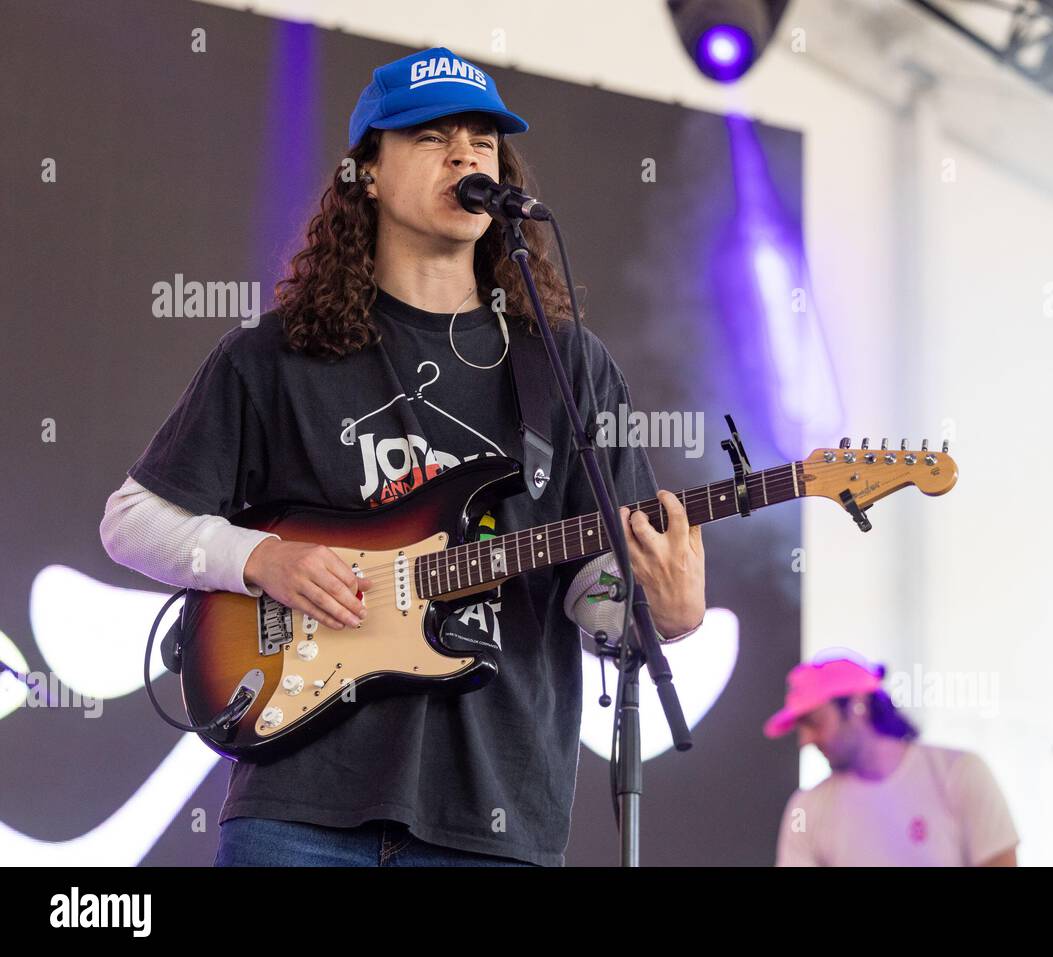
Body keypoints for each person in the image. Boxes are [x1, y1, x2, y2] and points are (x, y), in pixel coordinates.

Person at [100, 46, 705, 867]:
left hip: (495, 813)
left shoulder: (566, 365)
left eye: (483, 140)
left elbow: (587, 588)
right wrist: (262, 558)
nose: (465, 153)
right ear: (368, 176)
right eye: (431, 135)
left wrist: (659, 608)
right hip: (300, 805)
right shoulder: (275, 355)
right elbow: (131, 521)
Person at [765, 657, 1017, 866]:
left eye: (814, 722)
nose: (805, 740)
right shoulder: (804, 809)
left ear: (857, 705)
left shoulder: (960, 773)